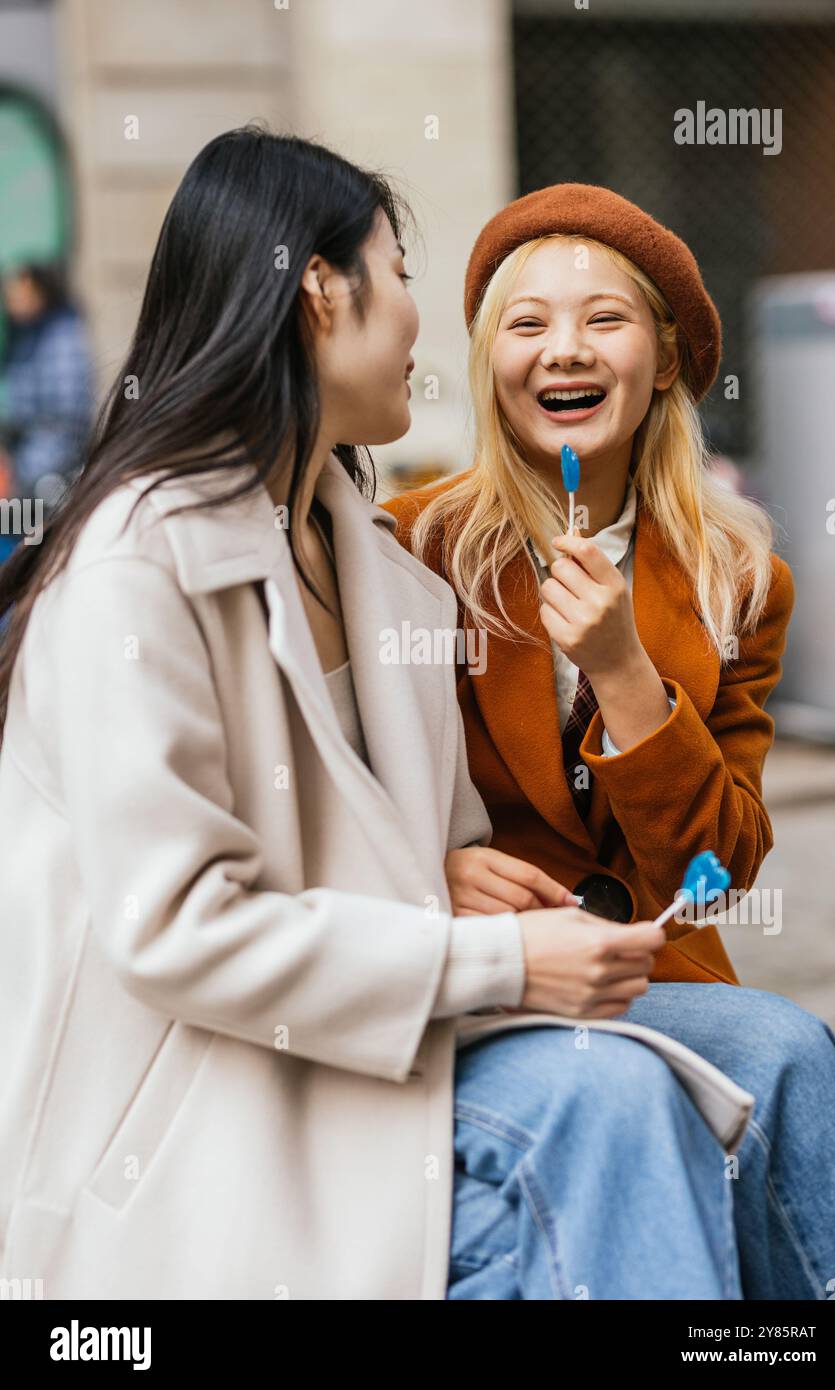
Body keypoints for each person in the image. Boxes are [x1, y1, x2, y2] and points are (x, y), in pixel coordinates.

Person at [0, 128, 745, 1301]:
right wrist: (496, 952)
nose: (418, 322)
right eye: (400, 274)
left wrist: (457, 872)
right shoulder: (133, 569)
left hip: (365, 1034)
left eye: (606, 321)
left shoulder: (382, 566)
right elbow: (181, 927)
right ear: (318, 290)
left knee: (769, 1051)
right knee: (610, 1105)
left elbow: (672, 854)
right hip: (204, 1097)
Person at [383, 182, 835, 1299]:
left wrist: (621, 672)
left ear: (662, 362)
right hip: (479, 981)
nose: (565, 348)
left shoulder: (736, 577)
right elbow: (346, 784)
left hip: (653, 972)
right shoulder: (412, 547)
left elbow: (712, 876)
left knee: (789, 1048)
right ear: (488, 360)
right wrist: (431, 869)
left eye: (604, 319)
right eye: (527, 322)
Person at [0, 261, 92, 508]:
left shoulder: (61, 339)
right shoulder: (23, 334)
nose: (12, 299)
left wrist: (28, 472)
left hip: (48, 471)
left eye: (21, 291)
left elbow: (68, 419)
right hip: (23, 466)